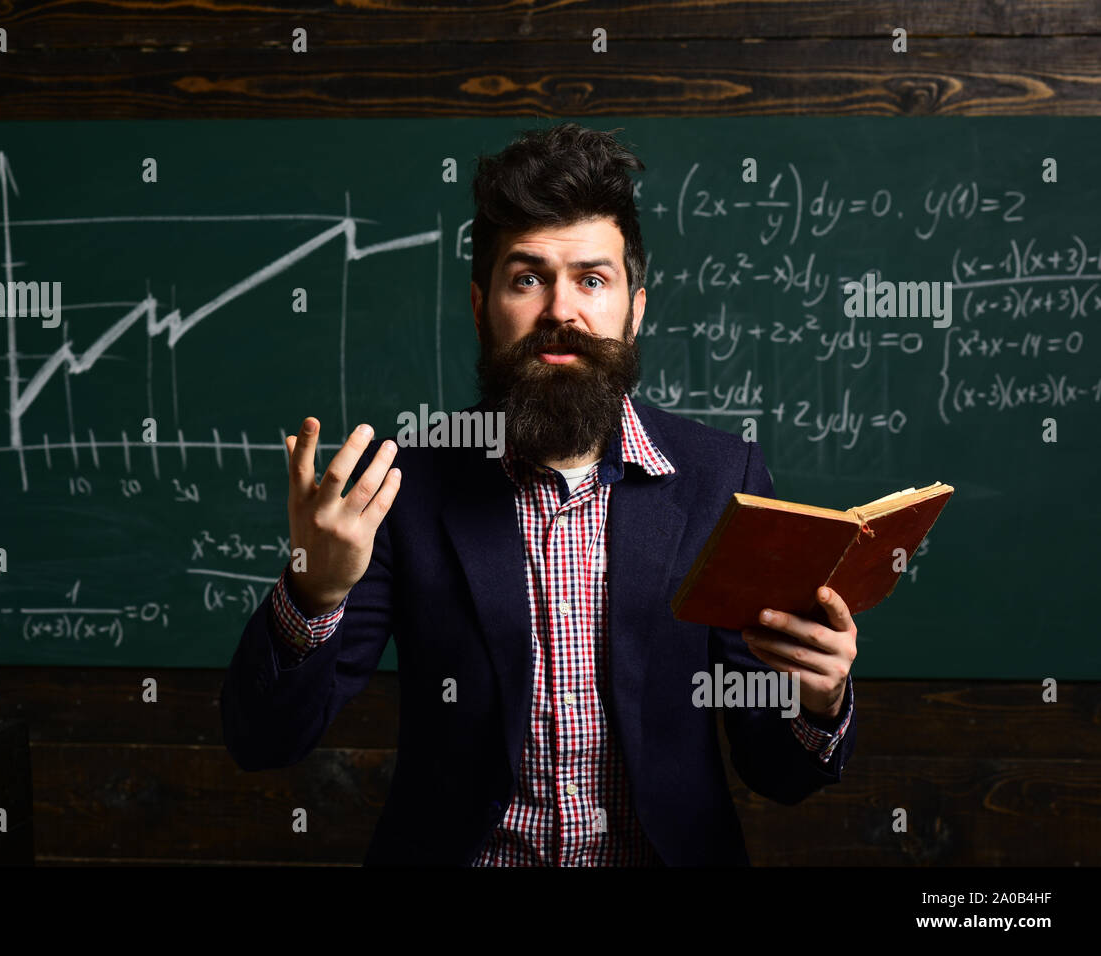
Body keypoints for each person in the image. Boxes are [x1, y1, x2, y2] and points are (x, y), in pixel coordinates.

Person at [221, 122, 857, 866]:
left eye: (593, 279)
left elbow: (778, 773)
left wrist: (817, 700)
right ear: (479, 304)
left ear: (636, 307)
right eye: (528, 278)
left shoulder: (725, 480)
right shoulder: (405, 485)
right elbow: (264, 740)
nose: (562, 310)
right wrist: (311, 593)